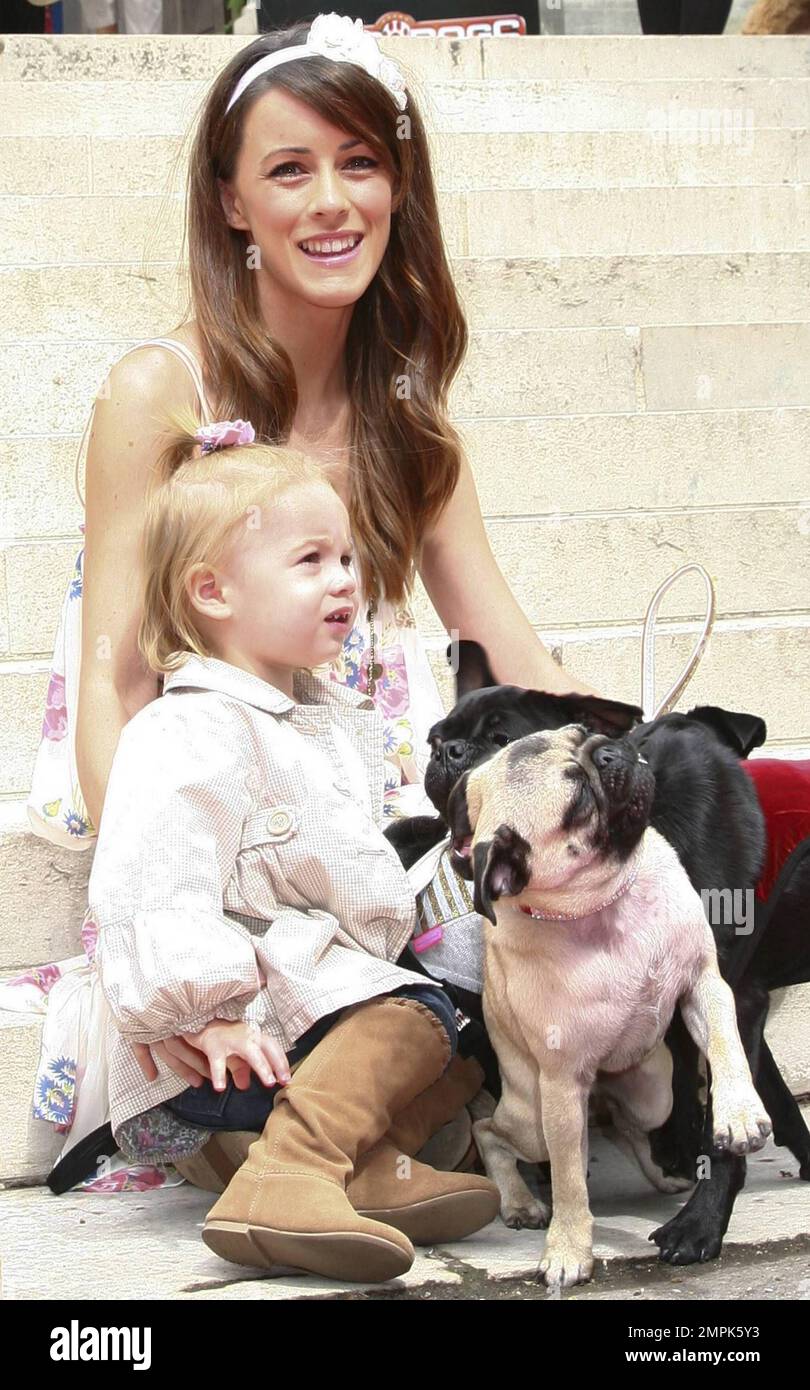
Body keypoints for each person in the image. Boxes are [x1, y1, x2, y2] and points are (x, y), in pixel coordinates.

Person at [20, 11, 600, 1191]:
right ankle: (281, 1138)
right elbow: (118, 678)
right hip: (198, 811)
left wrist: (609, 767)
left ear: (399, 185)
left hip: (354, 807)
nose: (333, 200)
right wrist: (169, 924)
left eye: (361, 162)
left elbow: (498, 632)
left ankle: (338, 1145)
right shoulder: (158, 391)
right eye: (290, 169)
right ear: (232, 202)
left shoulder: (406, 407)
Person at [87, 408, 500, 1280]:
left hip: (295, 1026)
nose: (343, 581)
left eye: (346, 558)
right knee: (413, 1019)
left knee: (464, 1030)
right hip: (228, 1047)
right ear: (212, 592)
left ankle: (363, 1169)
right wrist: (204, 1009)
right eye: (309, 561)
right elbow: (151, 880)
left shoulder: (312, 723)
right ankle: (296, 1169)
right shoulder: (190, 729)